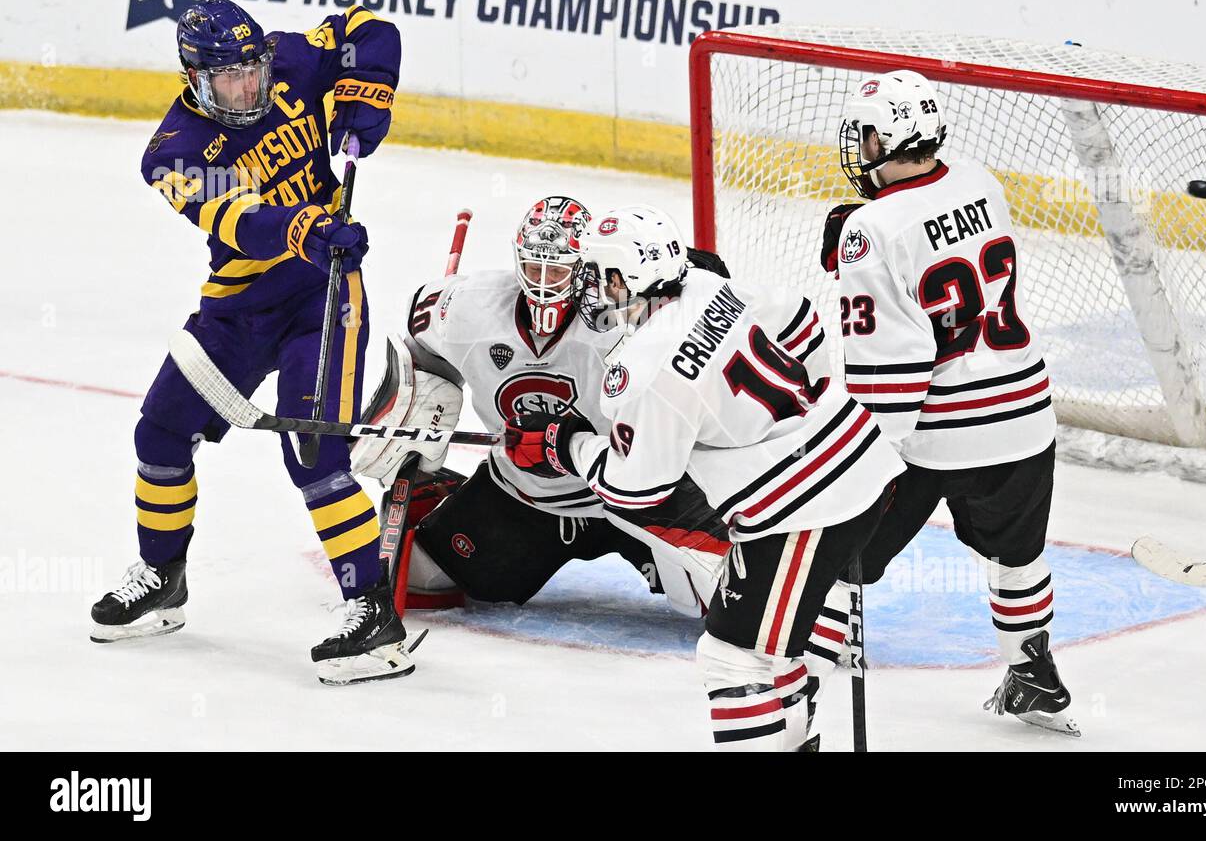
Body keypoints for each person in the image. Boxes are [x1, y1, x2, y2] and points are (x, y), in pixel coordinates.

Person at [90, 0, 411, 686]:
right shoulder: (172, 151)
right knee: (160, 433)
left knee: (315, 452)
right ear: (194, 79)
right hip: (238, 306)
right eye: (230, 80)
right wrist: (309, 228)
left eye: (255, 72)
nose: (249, 89)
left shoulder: (291, 59)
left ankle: (373, 616)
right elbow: (244, 221)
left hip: (322, 297)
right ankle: (163, 576)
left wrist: (367, 93)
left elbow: (368, 27)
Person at [504, 206, 905, 750]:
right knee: (769, 649)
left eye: (598, 275)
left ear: (625, 279)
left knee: (732, 656)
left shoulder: (641, 370)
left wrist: (567, 444)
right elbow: (805, 321)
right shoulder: (709, 282)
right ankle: (795, 737)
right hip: (861, 460)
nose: (590, 289)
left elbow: (638, 489)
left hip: (804, 511)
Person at [352, 197, 823, 617]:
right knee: (428, 581)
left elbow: (695, 316)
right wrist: (412, 409)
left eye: (556, 271)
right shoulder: (466, 308)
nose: (542, 284)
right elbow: (420, 350)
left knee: (731, 604)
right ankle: (442, 493)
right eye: (532, 268)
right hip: (526, 496)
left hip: (638, 492)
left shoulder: (629, 318)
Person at [824, 69, 1077, 735]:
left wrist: (865, 454)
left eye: (871, 133)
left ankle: (811, 664)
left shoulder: (871, 230)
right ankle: (1033, 671)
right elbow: (937, 237)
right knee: (1018, 556)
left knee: (835, 548)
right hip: (1026, 417)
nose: (863, 144)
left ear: (895, 134)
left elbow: (895, 359)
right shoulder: (980, 180)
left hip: (939, 432)